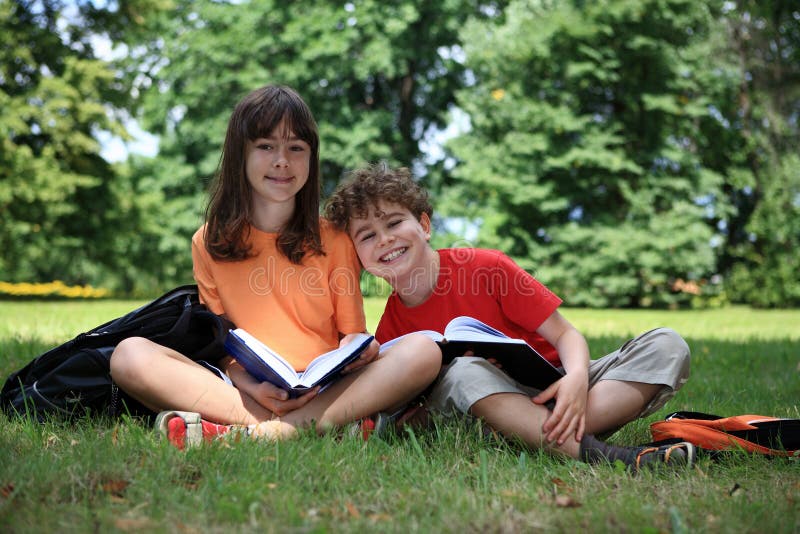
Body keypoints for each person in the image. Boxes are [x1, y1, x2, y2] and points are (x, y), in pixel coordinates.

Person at [109, 87, 441, 446]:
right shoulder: (207, 242)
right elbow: (224, 345)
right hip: (250, 392)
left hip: (326, 387)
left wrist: (361, 352)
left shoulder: (334, 238)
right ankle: (317, 428)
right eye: (266, 146)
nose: (282, 161)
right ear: (240, 155)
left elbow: (351, 335)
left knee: (423, 352)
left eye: (296, 148)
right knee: (129, 356)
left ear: (311, 159)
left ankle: (249, 435)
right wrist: (251, 384)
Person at [324, 162, 695, 470]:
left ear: (423, 225)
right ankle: (600, 454)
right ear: (358, 256)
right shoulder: (393, 326)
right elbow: (402, 411)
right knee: (464, 374)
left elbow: (566, 336)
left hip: (558, 386)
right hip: (486, 403)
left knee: (667, 345)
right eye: (367, 236)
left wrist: (578, 379)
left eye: (393, 223)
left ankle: (532, 433)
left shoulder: (486, 267)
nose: (385, 240)